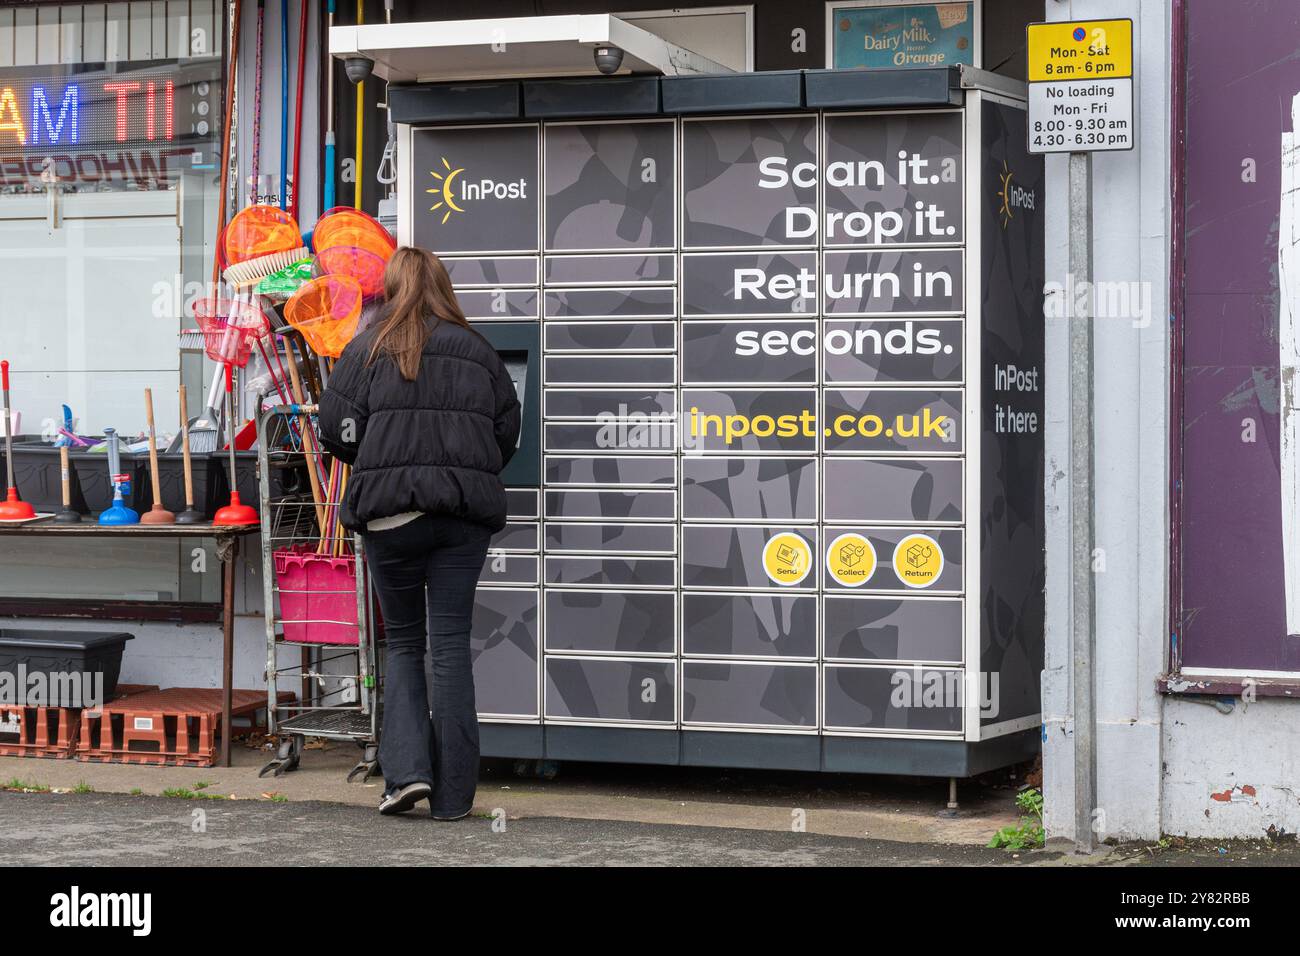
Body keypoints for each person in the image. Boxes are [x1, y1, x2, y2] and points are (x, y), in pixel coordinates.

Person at [320, 246, 521, 819]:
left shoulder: (367, 347)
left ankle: (407, 776)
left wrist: (378, 457)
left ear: (389, 288)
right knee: (452, 647)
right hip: (461, 519)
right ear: (442, 286)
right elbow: (506, 432)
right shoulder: (478, 350)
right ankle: (455, 796)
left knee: (405, 644)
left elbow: (336, 431)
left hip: (391, 520)